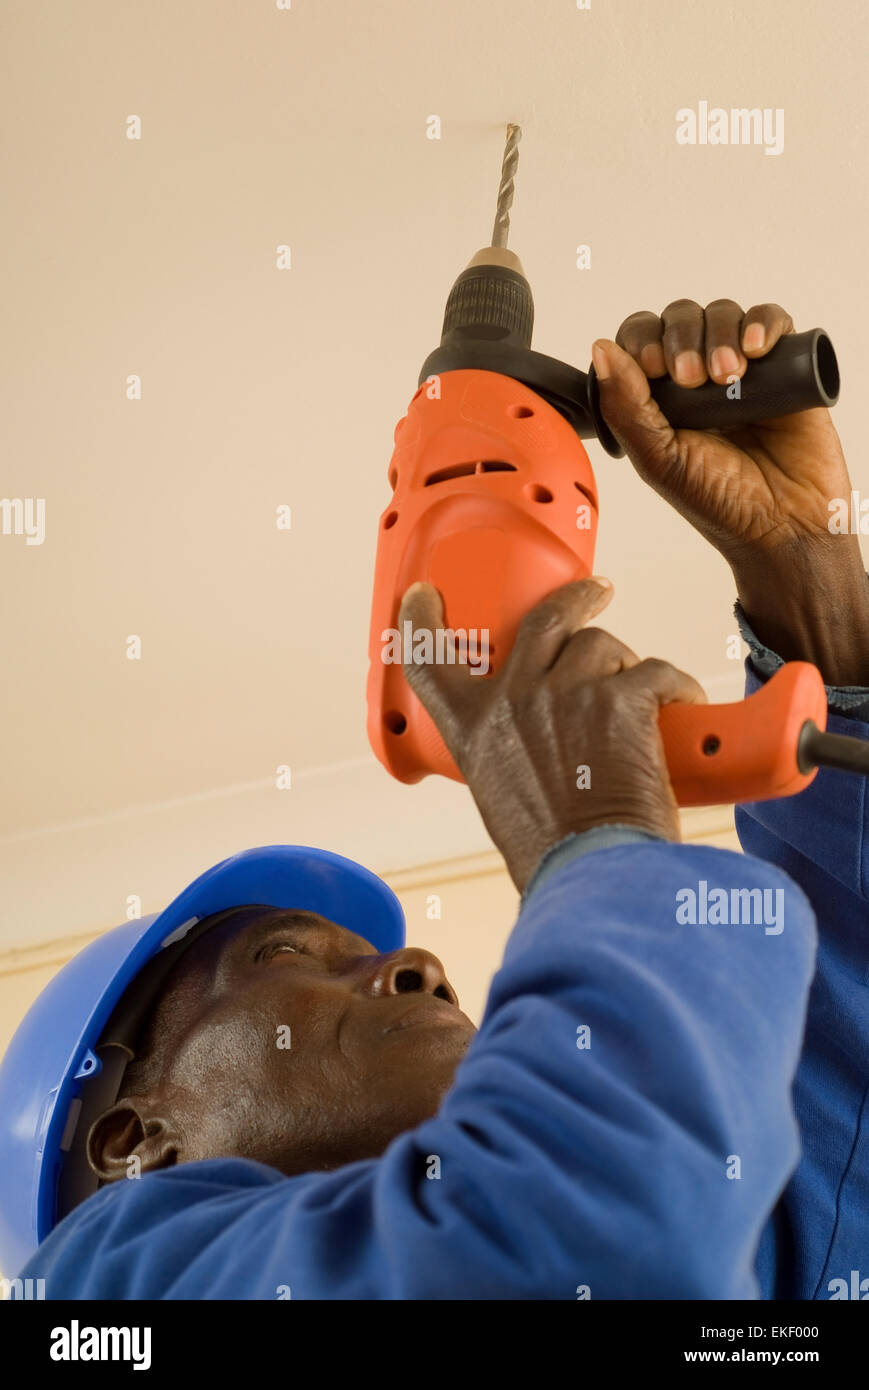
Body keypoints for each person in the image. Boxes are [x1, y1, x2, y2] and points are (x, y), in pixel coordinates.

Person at [2, 300, 866, 1300]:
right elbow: (582, 1238)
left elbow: (842, 1136)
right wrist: (592, 838)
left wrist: (811, 594)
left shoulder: (719, 1253)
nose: (419, 966)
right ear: (132, 1139)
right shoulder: (116, 1286)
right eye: (281, 954)